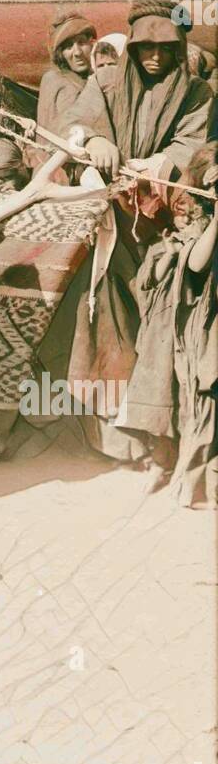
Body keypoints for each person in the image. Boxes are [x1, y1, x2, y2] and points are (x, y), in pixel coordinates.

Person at [61, 0, 211, 461]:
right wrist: (99, 139)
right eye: (145, 47)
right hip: (113, 227)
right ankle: (114, 440)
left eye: (165, 49)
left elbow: (191, 145)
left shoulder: (195, 94)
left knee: (156, 325)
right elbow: (81, 124)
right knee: (110, 323)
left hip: (162, 231)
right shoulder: (106, 79)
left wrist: (168, 160)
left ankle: (157, 434)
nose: (154, 57)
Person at [121, 146, 217, 504]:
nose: (182, 223)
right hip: (164, 335)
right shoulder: (170, 242)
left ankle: (182, 469)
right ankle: (161, 464)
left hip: (191, 333)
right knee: (157, 400)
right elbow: (162, 274)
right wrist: (171, 252)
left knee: (187, 402)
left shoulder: (197, 232)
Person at [36, 10, 97, 135]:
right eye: (69, 47)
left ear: (92, 44)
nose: (77, 53)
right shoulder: (56, 80)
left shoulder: (95, 77)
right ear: (61, 54)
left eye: (81, 42)